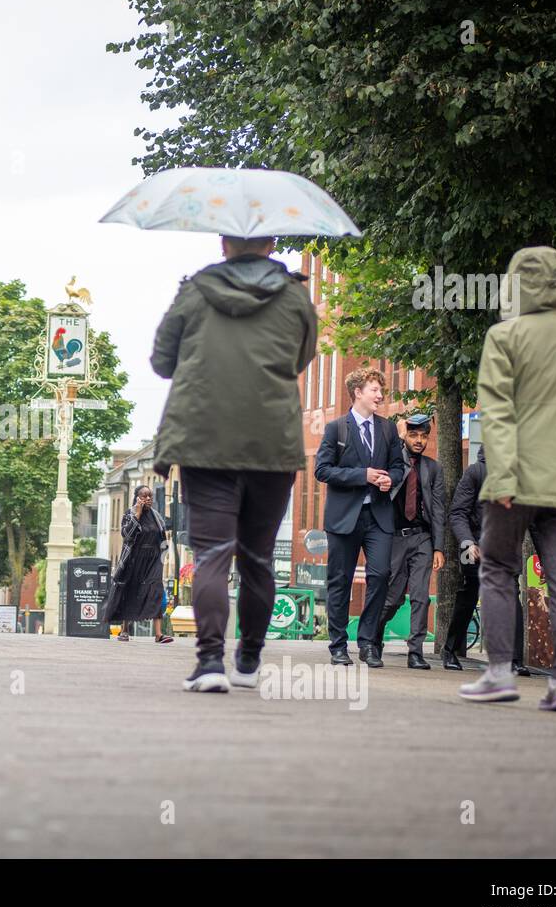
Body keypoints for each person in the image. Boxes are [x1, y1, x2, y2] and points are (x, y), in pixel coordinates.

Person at [151, 234, 316, 692]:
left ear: (224, 243)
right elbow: (302, 358)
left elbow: (163, 362)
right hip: (271, 443)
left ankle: (208, 664)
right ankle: (249, 658)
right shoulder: (295, 297)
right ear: (272, 243)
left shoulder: (196, 291)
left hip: (206, 441)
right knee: (258, 557)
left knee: (212, 554)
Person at [460, 246, 556, 711]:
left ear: (514, 285)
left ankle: (499, 674)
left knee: (498, 570)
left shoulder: (504, 337)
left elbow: (498, 412)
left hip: (516, 477)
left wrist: (504, 475)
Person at [316, 369, 407, 669]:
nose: (380, 396)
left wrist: (388, 480)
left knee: (380, 575)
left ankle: (368, 643)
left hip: (378, 516)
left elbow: (397, 467)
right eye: (374, 390)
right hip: (344, 518)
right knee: (340, 581)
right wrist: (363, 476)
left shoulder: (388, 429)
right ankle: (338, 646)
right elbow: (322, 470)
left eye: (381, 390)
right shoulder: (336, 429)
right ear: (357, 392)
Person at [446, 447, 529, 674]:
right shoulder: (475, 472)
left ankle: (514, 661)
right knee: (469, 596)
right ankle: (450, 651)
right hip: (474, 547)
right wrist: (468, 542)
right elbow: (458, 513)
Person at [379, 413, 445, 669]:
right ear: (405, 436)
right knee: (392, 598)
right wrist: (397, 437)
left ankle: (415, 652)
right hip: (394, 538)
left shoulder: (433, 468)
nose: (419, 440)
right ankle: (373, 638)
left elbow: (439, 510)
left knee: (421, 596)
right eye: (414, 435)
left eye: (423, 436)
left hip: (422, 538)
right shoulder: (395, 461)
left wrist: (438, 547)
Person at [105, 485, 174, 644]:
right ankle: (124, 630)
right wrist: (137, 515)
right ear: (137, 498)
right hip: (134, 559)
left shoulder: (156, 516)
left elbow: (163, 537)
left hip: (153, 560)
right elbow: (126, 535)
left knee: (156, 591)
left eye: (150, 496)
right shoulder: (129, 514)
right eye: (144, 496)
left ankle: (158, 634)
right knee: (130, 591)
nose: (148, 499)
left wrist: (162, 558)